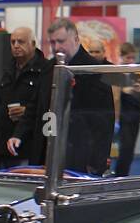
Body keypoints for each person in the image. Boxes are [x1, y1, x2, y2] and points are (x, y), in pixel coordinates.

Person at [46, 18, 116, 176]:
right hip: (54, 151)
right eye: (52, 42)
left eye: (61, 41)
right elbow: (47, 111)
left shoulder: (94, 71)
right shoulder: (49, 68)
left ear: (76, 39)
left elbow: (104, 122)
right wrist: (45, 147)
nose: (56, 47)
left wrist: (97, 160)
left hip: (83, 157)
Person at [0, 26, 52, 169]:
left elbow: (48, 108)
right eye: (13, 42)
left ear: (33, 44)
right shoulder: (8, 69)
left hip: (29, 147)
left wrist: (27, 112)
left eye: (21, 42)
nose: (16, 46)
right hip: (4, 146)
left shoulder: (45, 70)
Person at [112, 42, 140, 176]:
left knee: (130, 150)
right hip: (123, 116)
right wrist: (123, 91)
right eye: (128, 58)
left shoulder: (136, 72)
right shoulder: (115, 72)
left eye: (133, 58)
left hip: (136, 115)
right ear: (121, 57)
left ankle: (124, 175)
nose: (131, 61)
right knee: (125, 149)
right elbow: (113, 96)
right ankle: (119, 176)